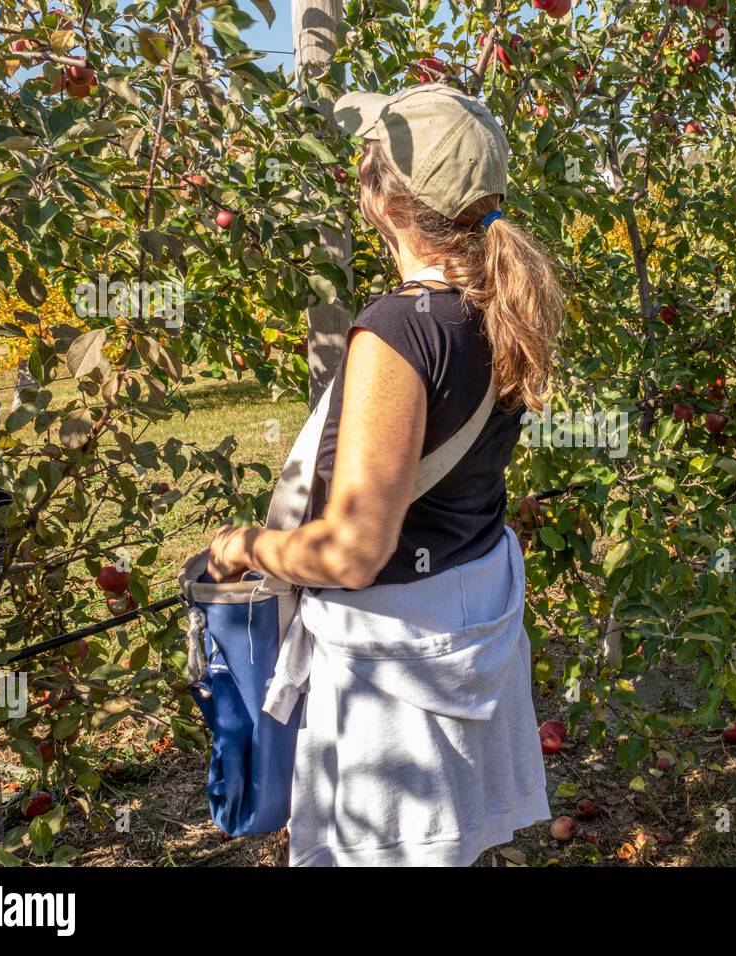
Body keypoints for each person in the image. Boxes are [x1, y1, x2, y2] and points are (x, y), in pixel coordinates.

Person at [204, 84, 564, 865]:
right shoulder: (496, 306)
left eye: (368, 154)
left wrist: (243, 546)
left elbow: (351, 553)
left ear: (382, 194)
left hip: (392, 673)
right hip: (469, 623)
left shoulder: (399, 330)